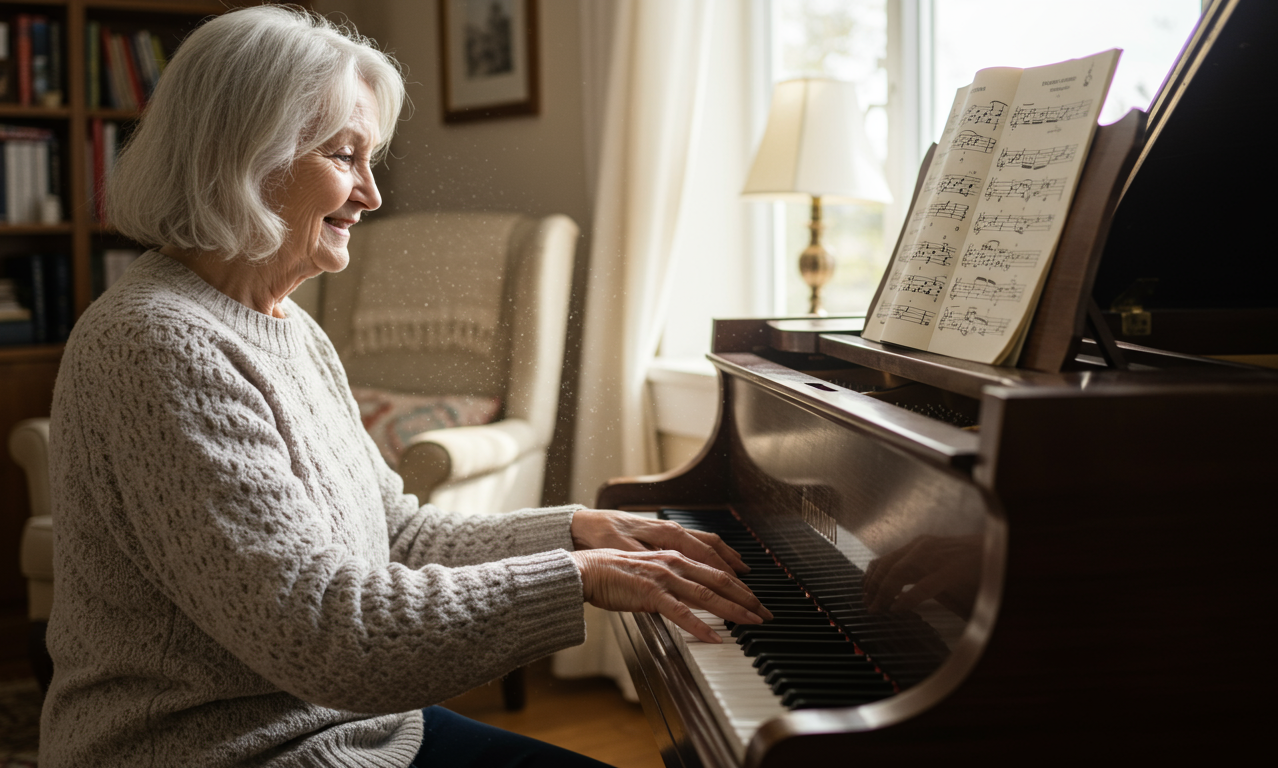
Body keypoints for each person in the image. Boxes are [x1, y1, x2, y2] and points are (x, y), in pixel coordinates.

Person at [40, 6, 769, 767]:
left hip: (352, 729)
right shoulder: (158, 344)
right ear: (243, 155)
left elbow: (396, 535)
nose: (371, 194)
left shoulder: (288, 325)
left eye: (371, 158)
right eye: (345, 156)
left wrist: (574, 528)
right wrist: (577, 577)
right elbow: (330, 635)